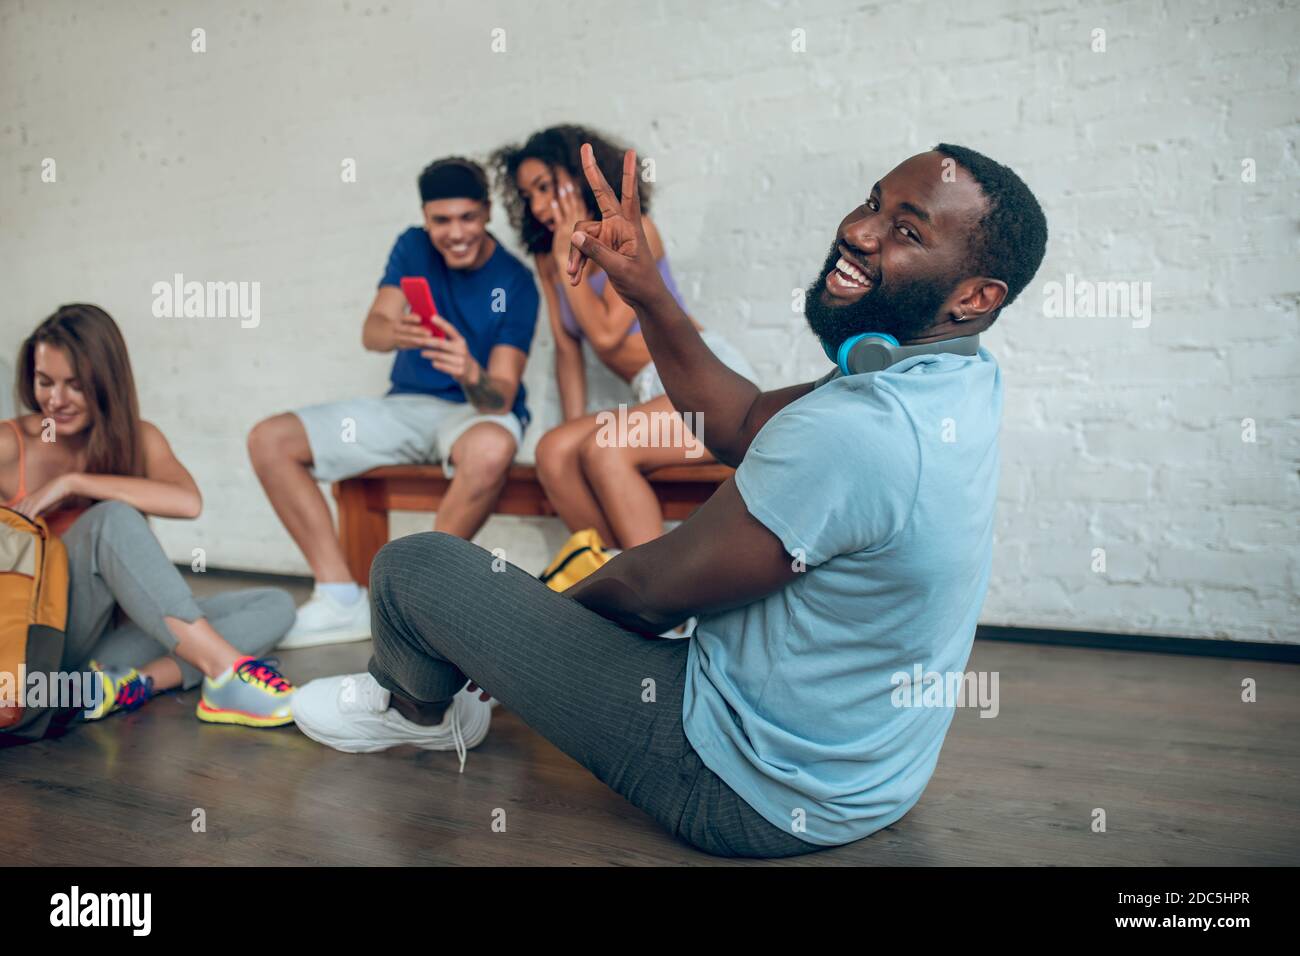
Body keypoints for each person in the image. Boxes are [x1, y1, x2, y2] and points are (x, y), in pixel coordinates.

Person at [293, 142, 1048, 858]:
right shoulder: (954, 380)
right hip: (869, 779)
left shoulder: (860, 430)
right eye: (872, 204)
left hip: (742, 787)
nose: (857, 230)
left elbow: (651, 593)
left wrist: (510, 641)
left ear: (976, 296)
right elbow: (742, 422)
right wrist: (647, 291)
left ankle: (416, 709)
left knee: (414, 568)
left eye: (905, 230)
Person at [248, 157, 540, 648]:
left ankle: (413, 604)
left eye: (467, 217)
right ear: (426, 218)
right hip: (406, 407)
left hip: (476, 413)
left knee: (491, 448)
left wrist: (470, 370)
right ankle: (341, 598)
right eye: (441, 220)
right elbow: (372, 330)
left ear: (487, 212)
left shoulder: (514, 281)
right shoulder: (412, 246)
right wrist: (395, 332)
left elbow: (501, 395)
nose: (455, 233)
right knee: (269, 439)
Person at [1, 305, 296, 727]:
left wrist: (75, 483)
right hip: (43, 642)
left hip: (105, 646)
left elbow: (187, 501)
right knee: (113, 519)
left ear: (106, 382)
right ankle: (228, 675)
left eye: (75, 385)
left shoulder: (137, 438)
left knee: (276, 604)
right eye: (45, 382)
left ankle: (132, 683)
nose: (56, 399)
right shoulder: (12, 444)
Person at [491, 125, 757, 549]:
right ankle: (618, 580)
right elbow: (567, 349)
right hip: (654, 392)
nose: (539, 205)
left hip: (708, 381)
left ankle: (662, 606)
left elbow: (607, 335)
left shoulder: (638, 232)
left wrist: (566, 255)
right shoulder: (549, 257)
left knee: (606, 450)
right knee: (554, 452)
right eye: (529, 196)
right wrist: (570, 424)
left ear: (578, 177)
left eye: (545, 187)